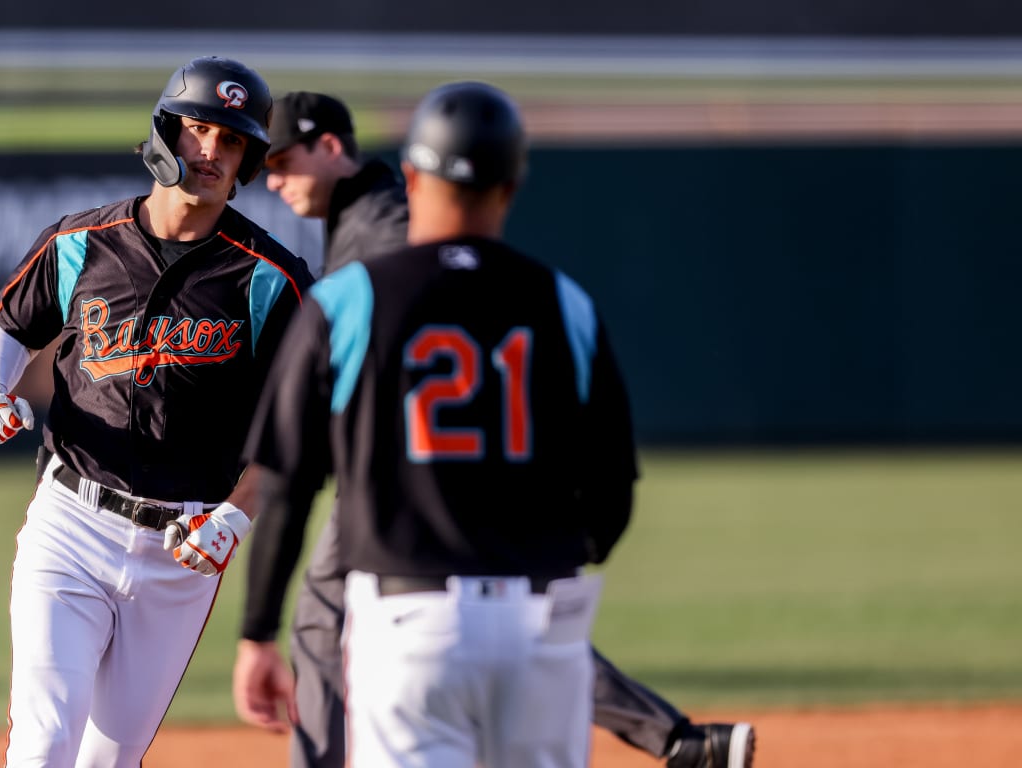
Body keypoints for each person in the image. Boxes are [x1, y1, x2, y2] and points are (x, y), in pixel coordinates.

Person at [233, 82, 756, 768]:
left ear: (412, 178)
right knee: (455, 606)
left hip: (408, 570)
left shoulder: (369, 265)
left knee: (322, 616)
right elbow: (611, 485)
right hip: (533, 611)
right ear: (511, 186)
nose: (273, 179)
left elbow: (291, 476)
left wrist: (254, 632)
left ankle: (672, 736)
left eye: (280, 161)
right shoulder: (562, 297)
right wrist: (555, 553)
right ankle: (675, 738)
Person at [0, 55, 315, 768]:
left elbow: (300, 425)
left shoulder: (270, 278)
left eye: (232, 139)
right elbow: (11, 326)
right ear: (165, 132)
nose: (211, 150)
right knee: (44, 743)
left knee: (108, 761)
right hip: (71, 524)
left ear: (249, 160)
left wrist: (238, 514)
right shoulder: (80, 243)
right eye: (198, 128)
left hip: (183, 548)